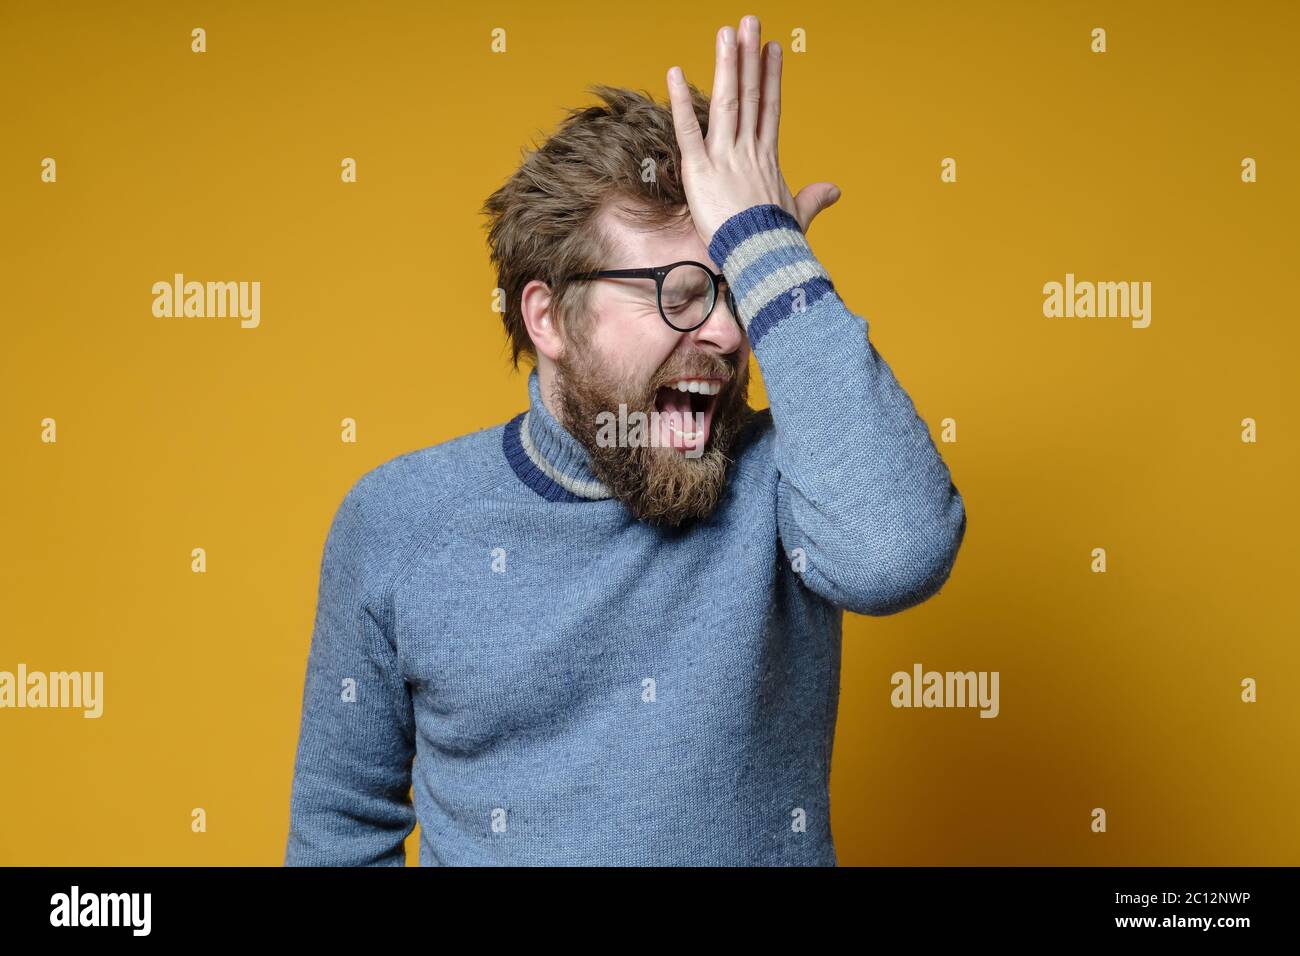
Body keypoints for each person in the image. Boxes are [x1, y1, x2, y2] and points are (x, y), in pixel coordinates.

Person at [284, 14, 966, 866]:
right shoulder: (397, 520)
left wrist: (774, 257)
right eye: (679, 291)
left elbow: (898, 553)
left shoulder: (787, 484)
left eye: (735, 291)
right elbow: (338, 834)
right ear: (548, 318)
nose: (722, 331)